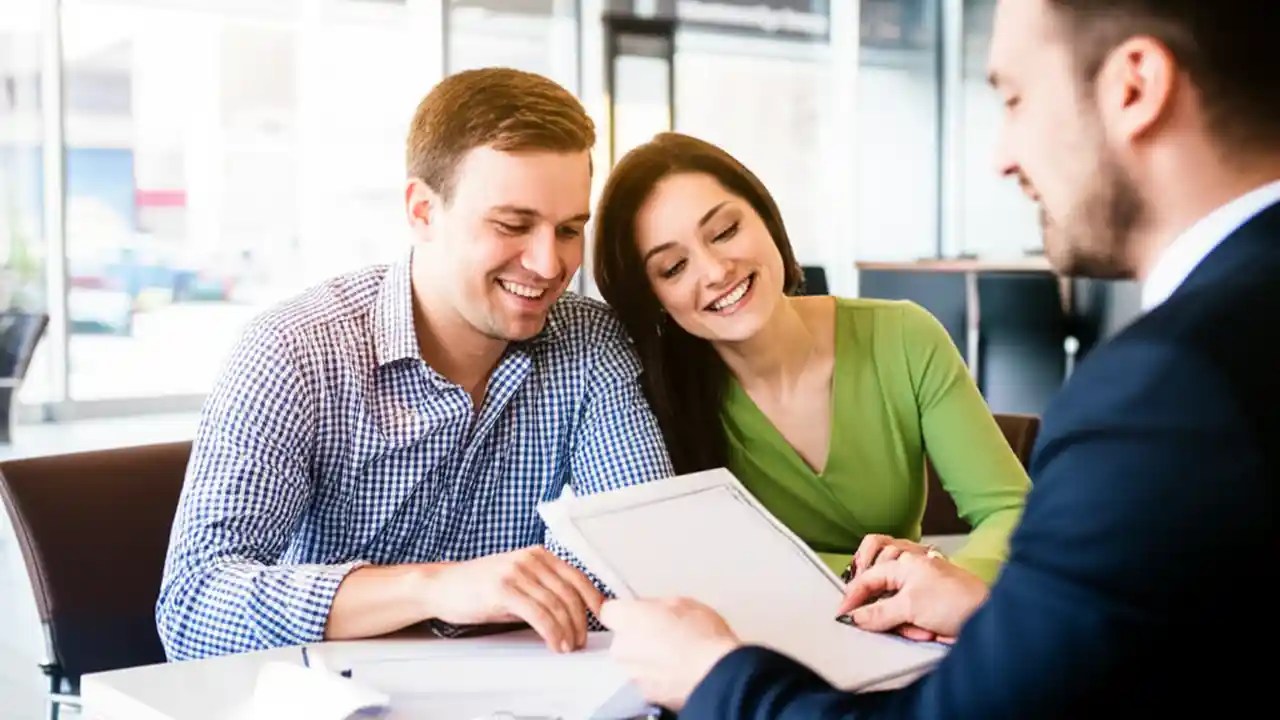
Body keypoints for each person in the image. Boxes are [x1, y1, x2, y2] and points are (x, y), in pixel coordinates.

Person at [599, 0, 1279, 716]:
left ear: (1135, 85)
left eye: (1014, 98)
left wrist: (715, 681)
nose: (1000, 155)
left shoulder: (1159, 394)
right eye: (671, 267)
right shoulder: (655, 399)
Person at [156, 68, 674, 661]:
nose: (548, 262)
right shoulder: (295, 352)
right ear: (423, 211)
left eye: (569, 230)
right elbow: (193, 610)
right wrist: (437, 587)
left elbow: (642, 563)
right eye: (513, 225)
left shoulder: (590, 344)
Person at [592, 132, 1030, 586]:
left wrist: (942, 579)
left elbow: (1010, 511)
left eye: (724, 232)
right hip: (759, 641)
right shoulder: (655, 401)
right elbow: (684, 562)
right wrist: (870, 575)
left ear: (765, 217)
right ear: (655, 298)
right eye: (674, 268)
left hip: (904, 634)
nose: (716, 270)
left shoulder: (903, 337)